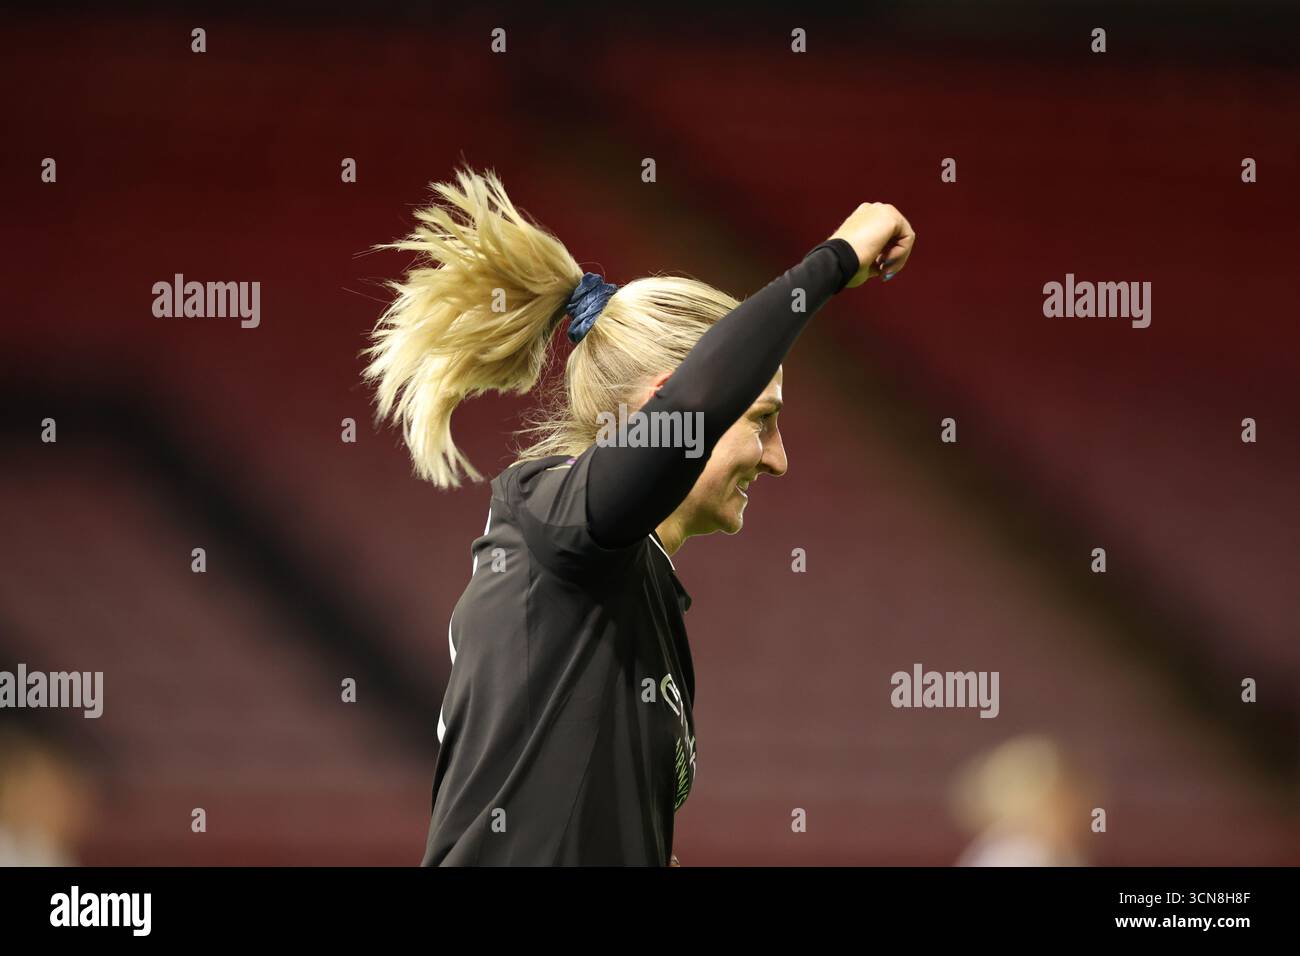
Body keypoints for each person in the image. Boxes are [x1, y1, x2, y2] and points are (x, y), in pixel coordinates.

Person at [364, 167, 915, 865]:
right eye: (763, 420)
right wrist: (832, 262)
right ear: (662, 410)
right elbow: (693, 406)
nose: (777, 460)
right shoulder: (555, 521)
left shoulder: (626, 581)